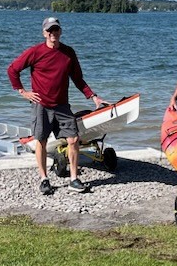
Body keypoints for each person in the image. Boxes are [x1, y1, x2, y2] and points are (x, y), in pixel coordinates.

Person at [7, 17, 110, 195]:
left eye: (56, 30)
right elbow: (12, 70)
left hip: (62, 106)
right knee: (41, 141)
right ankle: (44, 179)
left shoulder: (68, 53)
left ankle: (74, 179)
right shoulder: (35, 52)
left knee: (74, 139)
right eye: (49, 30)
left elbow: (78, 79)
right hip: (42, 105)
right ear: (44, 33)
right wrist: (22, 91)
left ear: (60, 31)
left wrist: (92, 96)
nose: (53, 33)